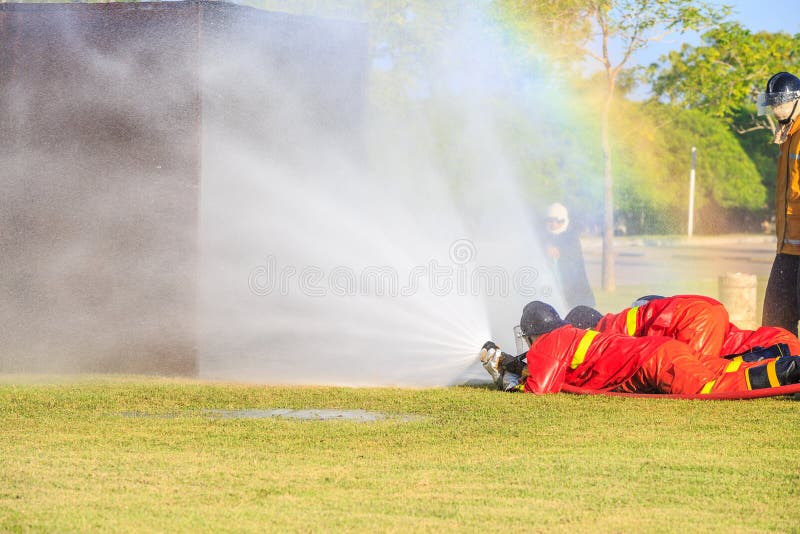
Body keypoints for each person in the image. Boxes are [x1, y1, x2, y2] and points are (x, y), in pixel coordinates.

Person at [480, 301, 800, 395]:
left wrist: (505, 379)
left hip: (656, 361)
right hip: (662, 351)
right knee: (723, 368)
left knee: (713, 386)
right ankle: (787, 368)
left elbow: (539, 389)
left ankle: (791, 372)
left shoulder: (550, 342)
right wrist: (512, 364)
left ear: (535, 332)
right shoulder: (567, 337)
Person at [564, 295, 800, 368]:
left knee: (697, 373)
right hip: (782, 346)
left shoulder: (611, 330)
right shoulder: (629, 320)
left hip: (779, 347)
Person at [758, 72, 800, 335]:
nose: (776, 110)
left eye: (781, 104)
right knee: (774, 326)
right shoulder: (787, 136)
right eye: (773, 104)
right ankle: (784, 375)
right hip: (787, 249)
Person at [539, 202, 595, 310]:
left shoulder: (571, 237)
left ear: (564, 221)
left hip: (577, 298)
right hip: (555, 296)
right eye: (550, 220)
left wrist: (557, 251)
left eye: (558, 221)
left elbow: (570, 253)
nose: (554, 224)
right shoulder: (545, 237)